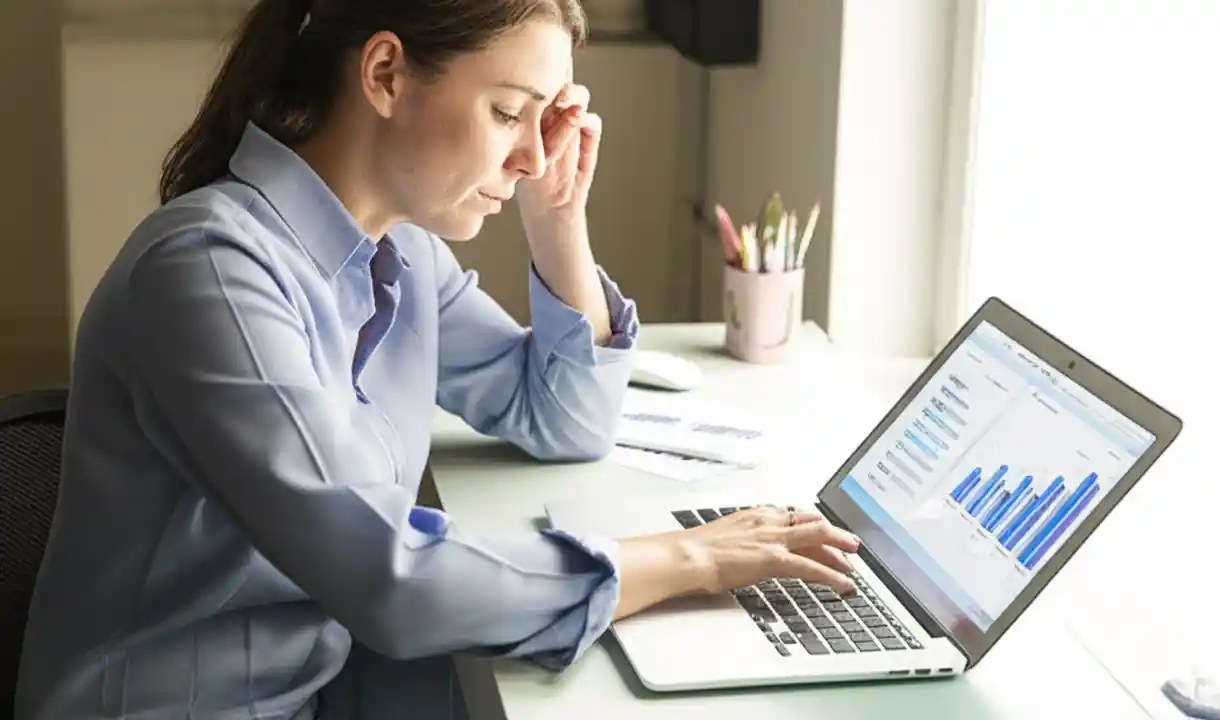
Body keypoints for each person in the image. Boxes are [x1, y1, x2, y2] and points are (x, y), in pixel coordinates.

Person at [15, 0, 861, 717]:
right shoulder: (210, 273)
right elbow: (393, 584)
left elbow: (562, 418)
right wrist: (692, 558)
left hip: (323, 690)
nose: (532, 154)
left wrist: (557, 221)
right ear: (384, 74)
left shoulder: (398, 257)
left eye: (545, 120)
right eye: (507, 113)